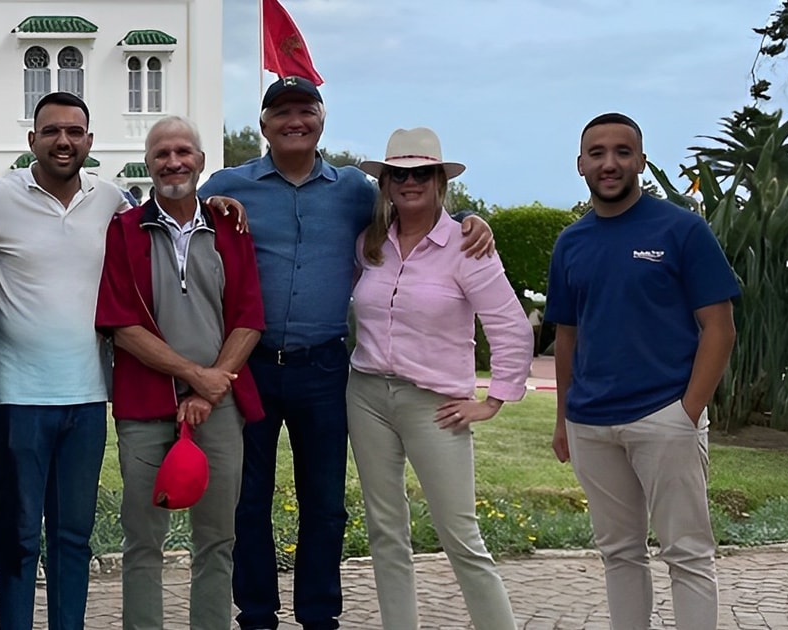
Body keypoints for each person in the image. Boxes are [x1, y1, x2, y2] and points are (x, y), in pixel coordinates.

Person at [198, 76, 494, 630]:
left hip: (327, 369)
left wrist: (473, 224)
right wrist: (208, 202)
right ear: (263, 124)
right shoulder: (227, 186)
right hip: (252, 367)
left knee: (326, 505)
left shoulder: (357, 191)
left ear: (321, 120)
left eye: (305, 110)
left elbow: (421, 217)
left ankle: (319, 617)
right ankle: (256, 615)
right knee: (248, 500)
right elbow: (178, 229)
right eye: (282, 111)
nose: (295, 120)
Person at [0, 92, 244, 630]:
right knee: (21, 536)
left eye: (74, 131)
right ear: (32, 141)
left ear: (90, 142)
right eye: (51, 131)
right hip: (18, 397)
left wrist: (221, 202)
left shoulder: (112, 202)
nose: (63, 141)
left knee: (73, 537)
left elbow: (170, 209)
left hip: (89, 396)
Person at [546, 113, 738, 630]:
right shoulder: (571, 243)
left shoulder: (681, 229)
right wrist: (564, 420)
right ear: (581, 164)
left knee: (688, 554)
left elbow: (719, 327)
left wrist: (686, 412)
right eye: (598, 153)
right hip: (592, 423)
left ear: (641, 161)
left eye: (622, 152)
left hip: (664, 416)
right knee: (619, 554)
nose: (610, 163)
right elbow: (567, 335)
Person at [347, 128, 532, 629]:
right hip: (365, 395)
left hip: (435, 403)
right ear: (385, 183)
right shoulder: (370, 245)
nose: (409, 182)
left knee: (460, 534)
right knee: (385, 530)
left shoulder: (466, 245)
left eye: (420, 173)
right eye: (398, 174)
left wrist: (492, 400)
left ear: (438, 180)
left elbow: (511, 327)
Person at [96, 116, 265, 630]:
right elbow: (120, 324)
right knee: (143, 539)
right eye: (162, 154)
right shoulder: (124, 232)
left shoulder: (230, 228)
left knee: (217, 539)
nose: (174, 162)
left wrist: (211, 389)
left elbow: (249, 319)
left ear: (201, 161)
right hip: (145, 408)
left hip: (218, 410)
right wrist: (198, 375)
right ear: (148, 165)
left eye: (183, 152)